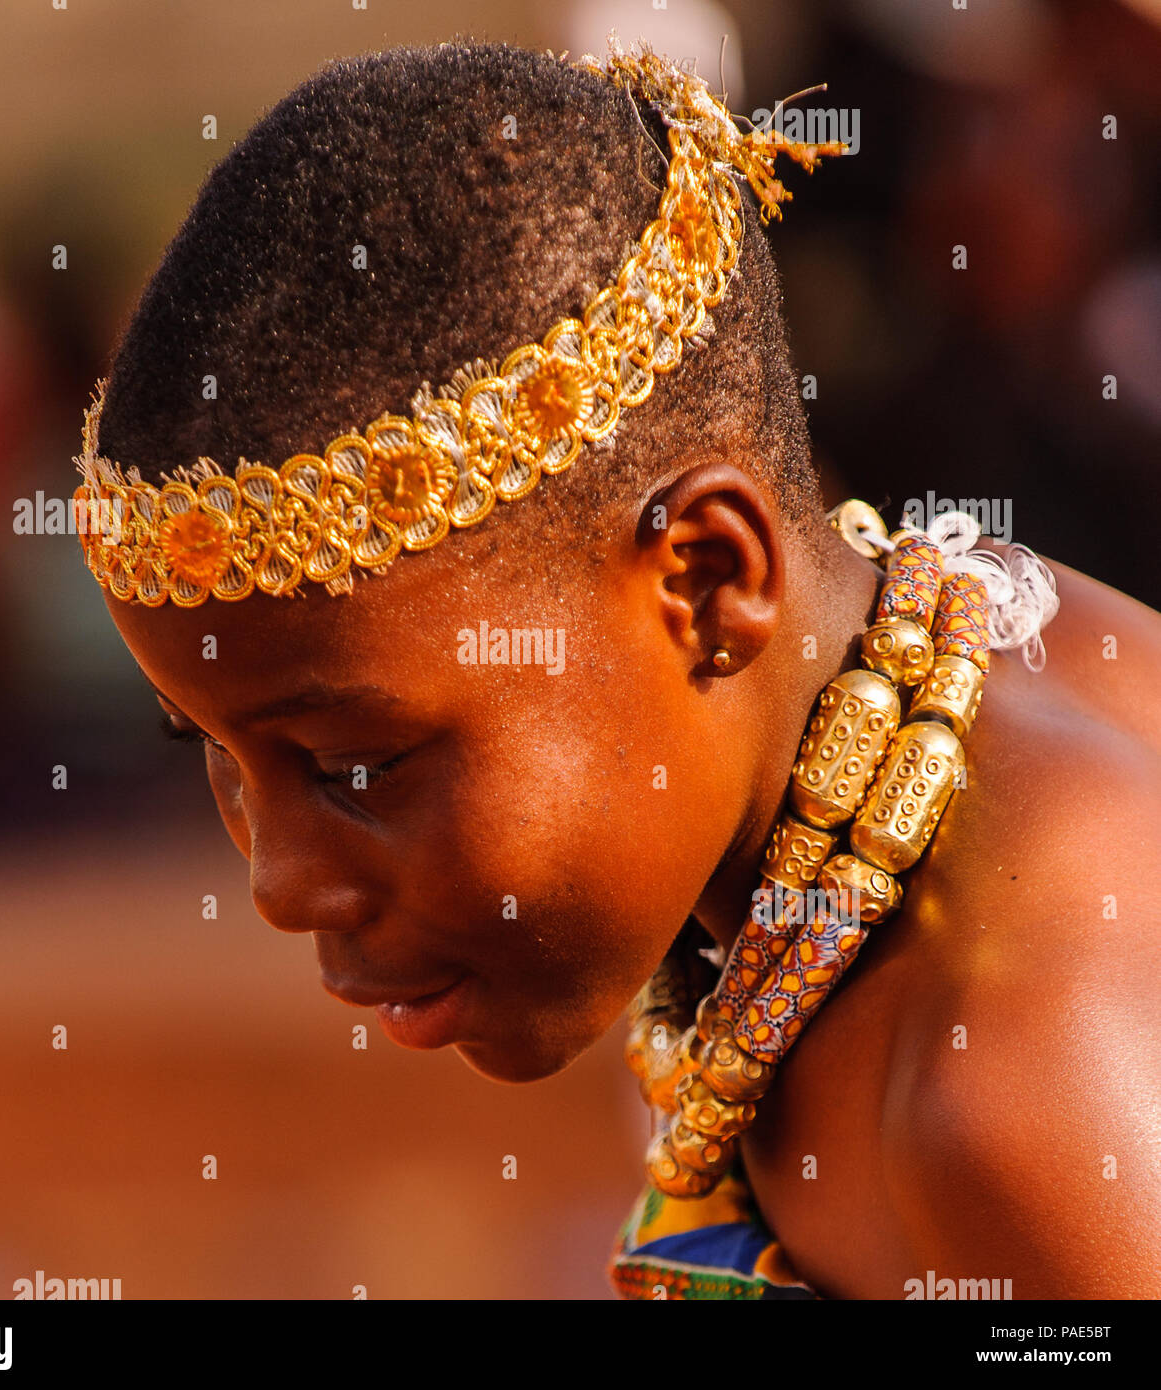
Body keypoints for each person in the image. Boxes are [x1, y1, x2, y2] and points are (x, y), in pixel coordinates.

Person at [71, 37, 1161, 1299]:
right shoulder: (955, 645)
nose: (280, 883)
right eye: (211, 745)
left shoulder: (1016, 1097)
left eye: (353, 763)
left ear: (704, 579)